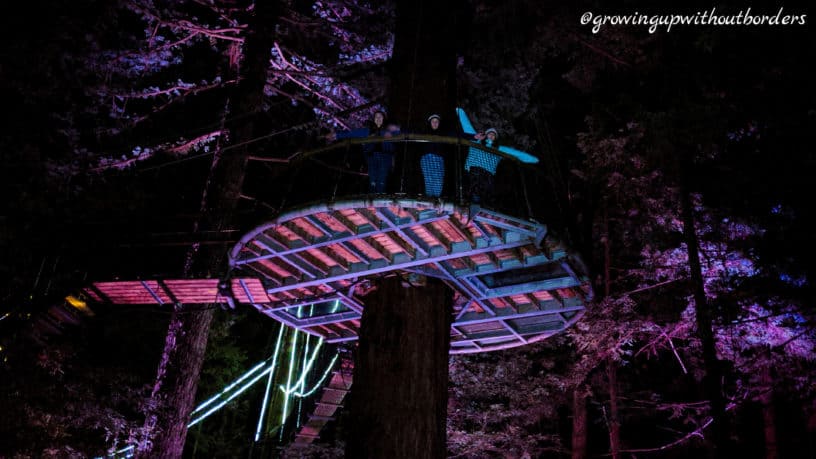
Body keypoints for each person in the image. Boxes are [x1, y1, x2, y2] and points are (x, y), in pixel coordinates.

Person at [329, 110, 399, 193]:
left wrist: (396, 129)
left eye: (380, 116)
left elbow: (400, 132)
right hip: (372, 156)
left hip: (385, 157)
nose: (378, 118)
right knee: (372, 179)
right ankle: (372, 199)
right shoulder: (368, 131)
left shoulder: (389, 131)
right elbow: (352, 133)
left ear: (384, 118)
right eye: (376, 117)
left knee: (382, 180)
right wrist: (336, 135)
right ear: (374, 119)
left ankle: (380, 199)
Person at [464, 127, 501, 206]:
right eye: (489, 134)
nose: (491, 136)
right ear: (486, 135)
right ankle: (471, 205)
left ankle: (481, 207)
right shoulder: (478, 142)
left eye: (493, 135)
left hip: (488, 174)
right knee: (474, 190)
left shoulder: (497, 150)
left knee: (485, 192)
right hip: (476, 170)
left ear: (495, 138)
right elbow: (470, 135)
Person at [420, 114, 446, 197]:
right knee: (428, 181)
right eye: (433, 121)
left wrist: (473, 136)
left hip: (439, 160)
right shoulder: (423, 132)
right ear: (429, 123)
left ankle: (437, 201)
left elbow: (457, 135)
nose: (435, 123)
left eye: (437, 121)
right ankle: (429, 200)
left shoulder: (443, 133)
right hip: (426, 159)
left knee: (438, 181)